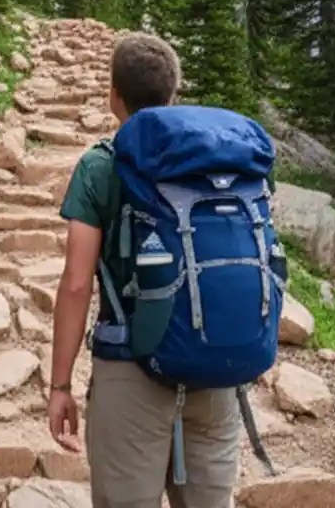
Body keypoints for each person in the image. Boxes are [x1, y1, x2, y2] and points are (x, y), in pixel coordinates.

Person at [47, 32, 244, 508]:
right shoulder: (216, 163)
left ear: (114, 96)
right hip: (217, 368)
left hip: (131, 373)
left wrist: (59, 385)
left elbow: (76, 284)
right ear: (173, 95)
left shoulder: (101, 166)